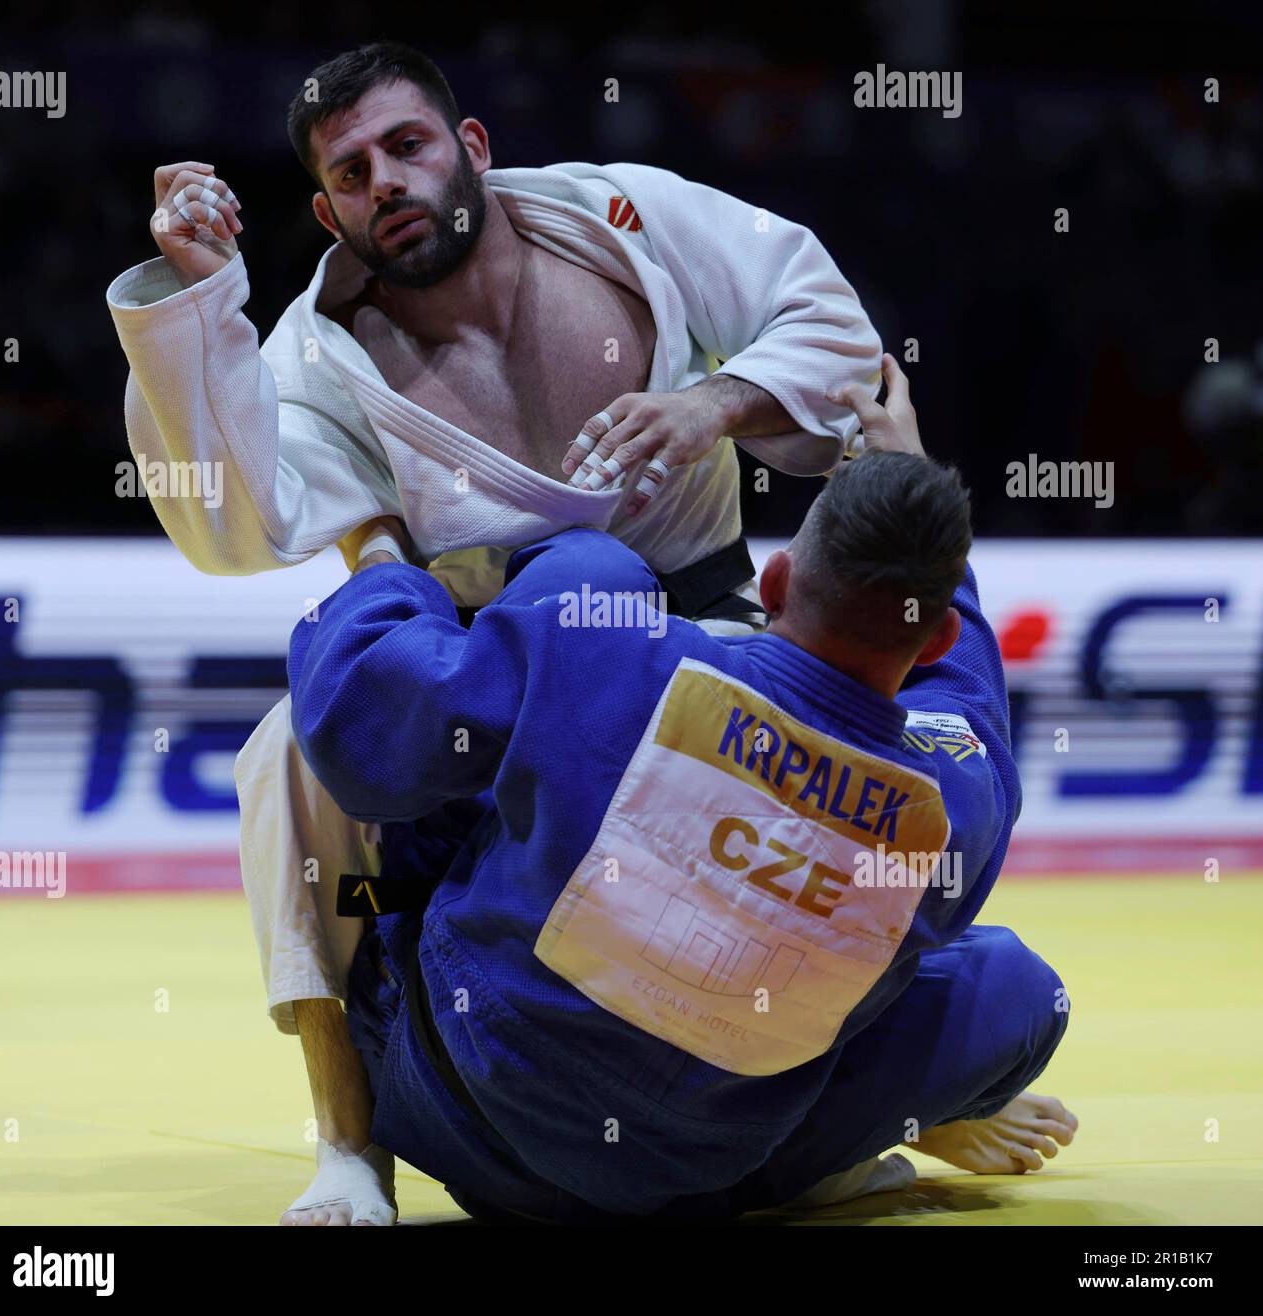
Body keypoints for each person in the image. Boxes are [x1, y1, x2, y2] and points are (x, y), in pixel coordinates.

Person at [103, 42, 882, 1214]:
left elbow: (830, 324)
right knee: (289, 758)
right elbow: (225, 524)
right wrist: (200, 296)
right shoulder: (321, 359)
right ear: (329, 211)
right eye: (353, 174)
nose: (387, 184)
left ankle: (848, 1100)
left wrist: (709, 401)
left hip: (693, 627)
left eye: (406, 147)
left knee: (850, 768)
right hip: (486, 678)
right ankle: (348, 1141)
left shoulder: (629, 218)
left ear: (468, 148)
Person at [283, 361, 1077, 1224]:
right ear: (939, 637)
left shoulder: (616, 644)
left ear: (772, 587)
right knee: (1020, 993)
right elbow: (963, 692)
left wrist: (384, 555)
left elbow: (357, 730)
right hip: (702, 1166)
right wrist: (911, 488)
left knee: (489, 707)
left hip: (460, 1118)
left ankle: (354, 1138)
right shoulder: (958, 798)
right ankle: (821, 1158)